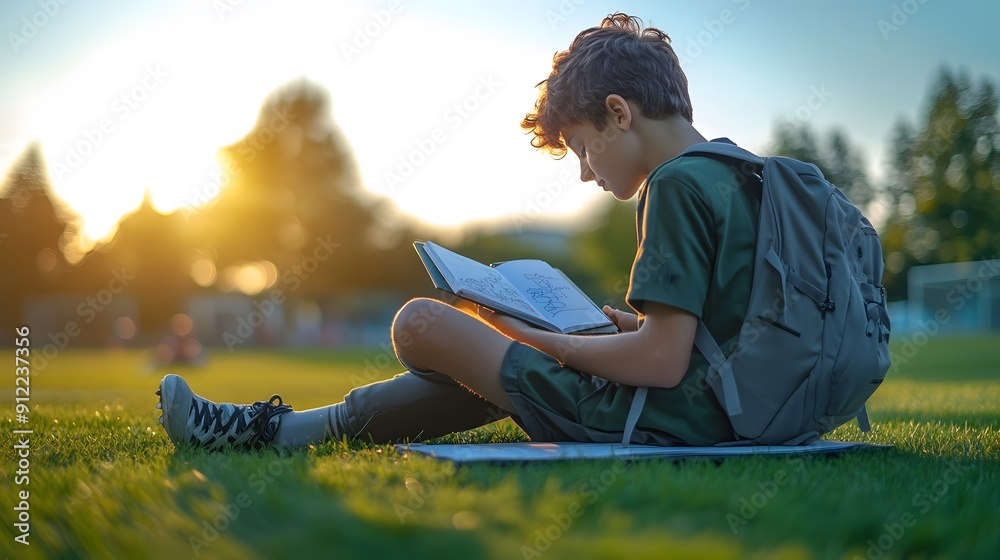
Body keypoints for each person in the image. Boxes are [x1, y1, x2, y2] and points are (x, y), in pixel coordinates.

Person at [156, 12, 757, 450]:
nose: (583, 173)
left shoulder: (675, 186)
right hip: (736, 409)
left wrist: (545, 342)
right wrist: (623, 328)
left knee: (421, 323)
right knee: (480, 359)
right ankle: (281, 433)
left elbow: (659, 363)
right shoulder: (744, 174)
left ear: (619, 114)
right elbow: (725, 327)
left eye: (580, 149)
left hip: (671, 417)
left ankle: (271, 431)